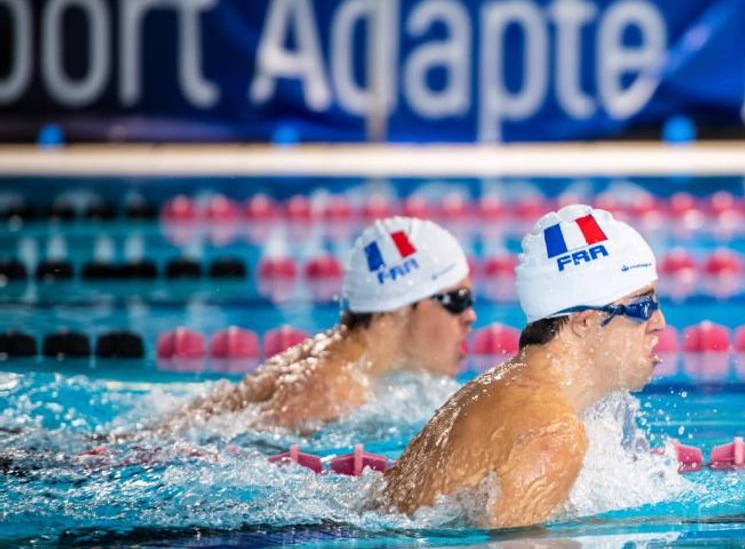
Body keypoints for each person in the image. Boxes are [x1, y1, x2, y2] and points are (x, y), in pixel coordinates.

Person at [379, 204, 665, 528]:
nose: (659, 322)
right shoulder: (553, 434)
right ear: (584, 322)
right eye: (643, 306)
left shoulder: (496, 389)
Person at [151, 217, 475, 435]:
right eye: (458, 300)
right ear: (401, 308)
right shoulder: (333, 388)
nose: (470, 316)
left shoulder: (340, 366)